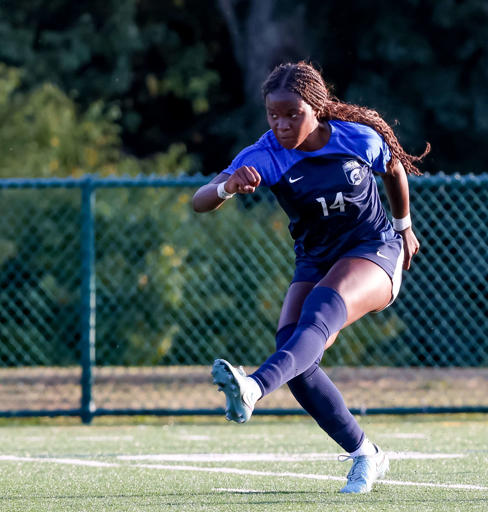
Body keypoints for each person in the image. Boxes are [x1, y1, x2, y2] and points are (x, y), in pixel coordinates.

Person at [191, 61, 429, 494]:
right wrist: (227, 188)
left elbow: (394, 169)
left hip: (374, 250)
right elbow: (199, 200)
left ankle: (254, 388)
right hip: (315, 260)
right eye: (273, 115)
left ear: (316, 108)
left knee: (321, 308)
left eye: (292, 114)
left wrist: (405, 226)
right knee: (296, 358)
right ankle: (365, 455)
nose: (281, 125)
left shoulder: (357, 138)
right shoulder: (267, 153)